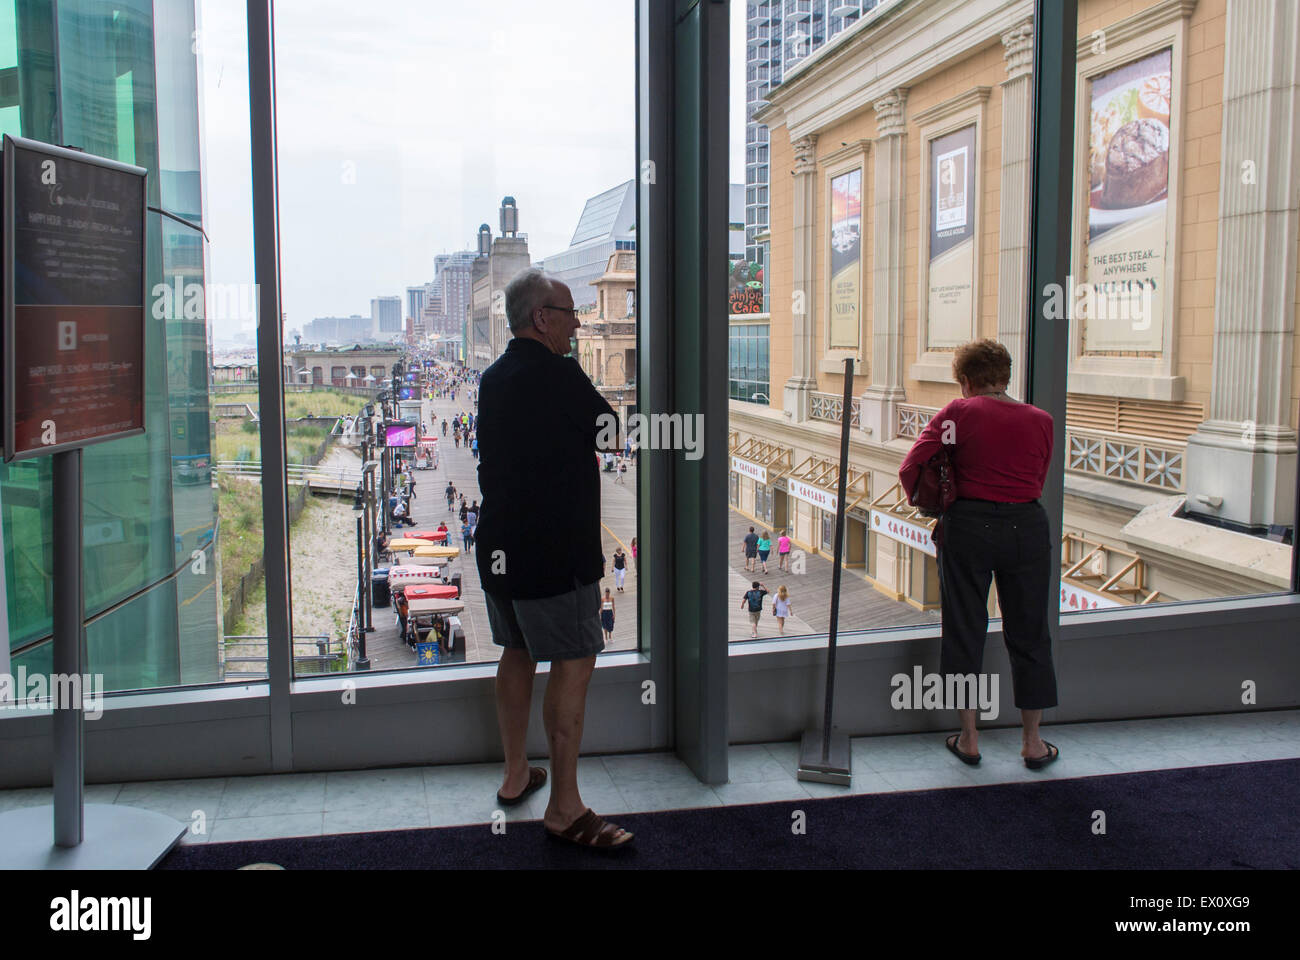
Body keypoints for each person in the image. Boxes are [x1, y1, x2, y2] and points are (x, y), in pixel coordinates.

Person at [475, 268, 632, 848]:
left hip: (498, 549)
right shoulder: (561, 373)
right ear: (542, 317)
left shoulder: (492, 379)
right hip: (554, 554)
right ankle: (566, 809)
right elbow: (611, 434)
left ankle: (517, 775)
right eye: (569, 313)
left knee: (516, 654)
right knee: (572, 664)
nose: (577, 323)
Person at [898, 338, 1059, 771]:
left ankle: (969, 737)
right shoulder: (1041, 420)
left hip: (968, 528)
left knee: (964, 629)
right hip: (1026, 527)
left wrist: (935, 501)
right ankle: (1033, 742)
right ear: (1006, 377)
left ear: (966, 381)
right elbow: (1037, 478)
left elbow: (910, 468)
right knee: (1029, 633)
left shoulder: (958, 413)